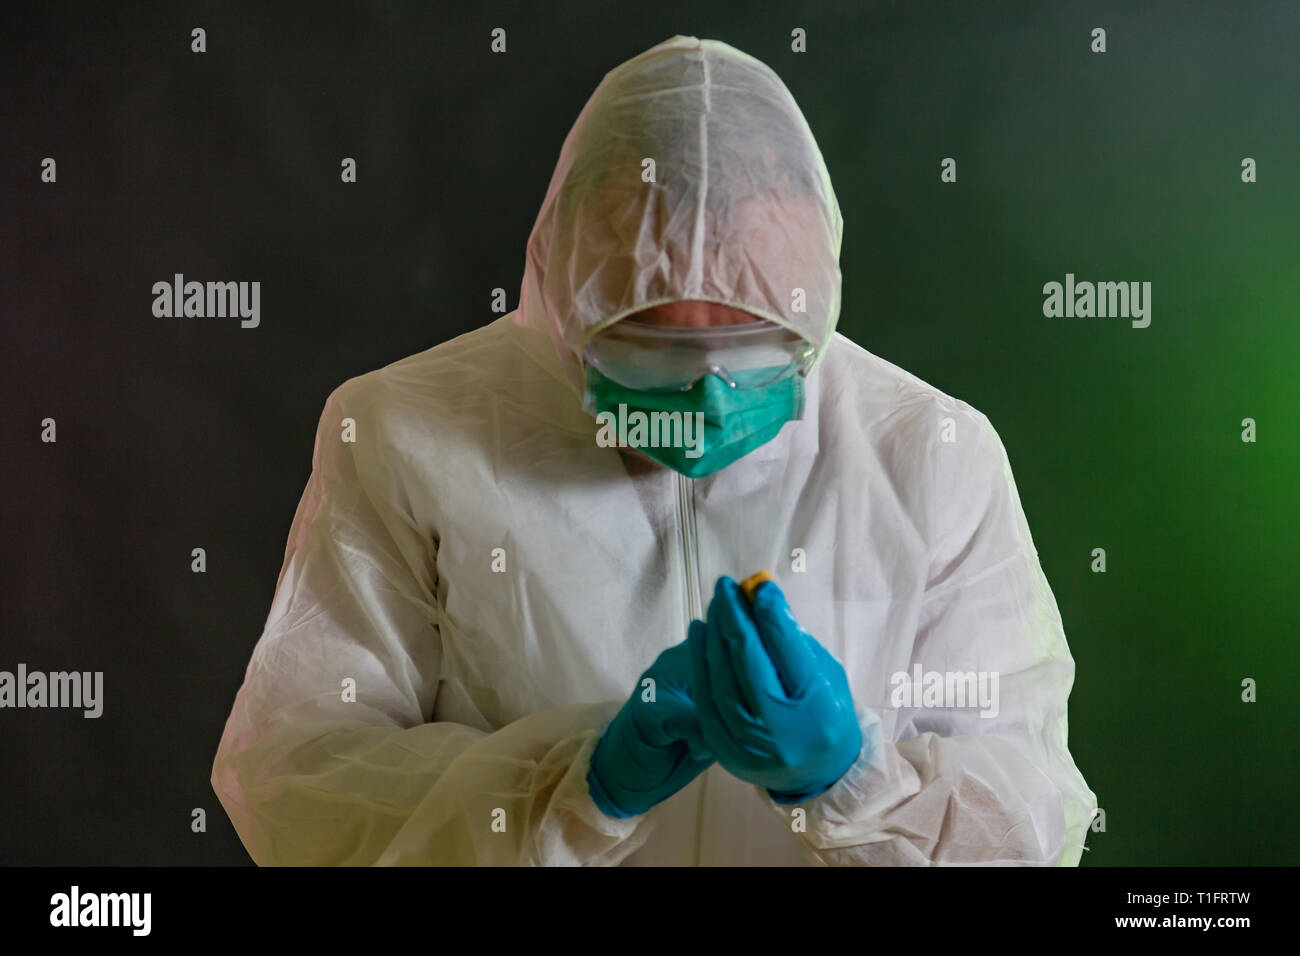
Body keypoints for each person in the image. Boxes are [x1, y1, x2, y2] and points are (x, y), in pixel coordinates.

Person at [211, 34, 1096, 865]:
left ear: (814, 312)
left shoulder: (928, 454)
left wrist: (854, 777)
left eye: (752, 346)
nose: (707, 395)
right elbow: (304, 782)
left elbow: (1028, 817)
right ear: (566, 294)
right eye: (653, 345)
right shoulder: (407, 435)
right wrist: (573, 783)